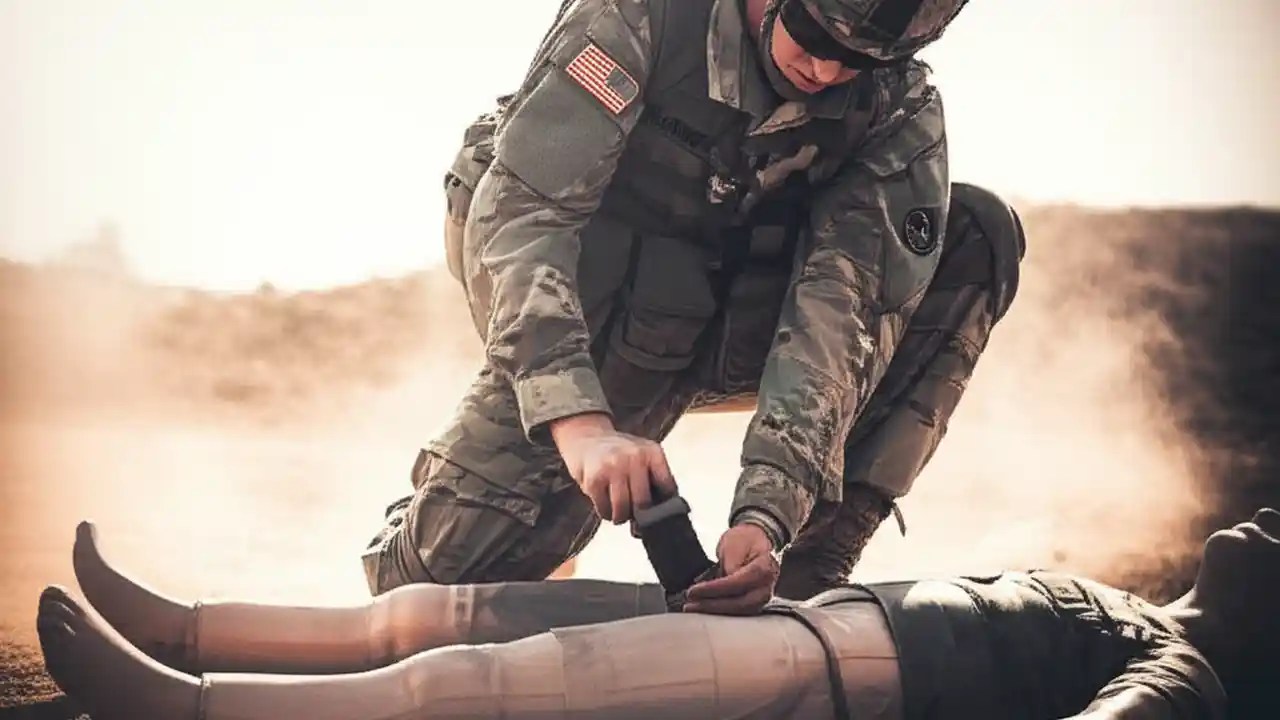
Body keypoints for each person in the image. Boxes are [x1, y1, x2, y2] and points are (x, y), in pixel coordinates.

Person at [362, 0, 1028, 612]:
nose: (827, 68)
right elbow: (524, 215)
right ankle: (496, 503)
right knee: (428, 594)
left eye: (859, 58)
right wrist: (581, 425)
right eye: (815, 34)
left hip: (737, 326)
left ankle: (813, 572)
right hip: (592, 311)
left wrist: (767, 518)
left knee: (975, 234)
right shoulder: (642, 15)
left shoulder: (898, 105)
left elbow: (842, 314)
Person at [39, 509, 1280, 719]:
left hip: (831, 676)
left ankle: (183, 703)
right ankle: (187, 628)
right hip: (793, 618)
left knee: (480, 689)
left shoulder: (1187, 672)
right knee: (442, 613)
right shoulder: (1124, 601)